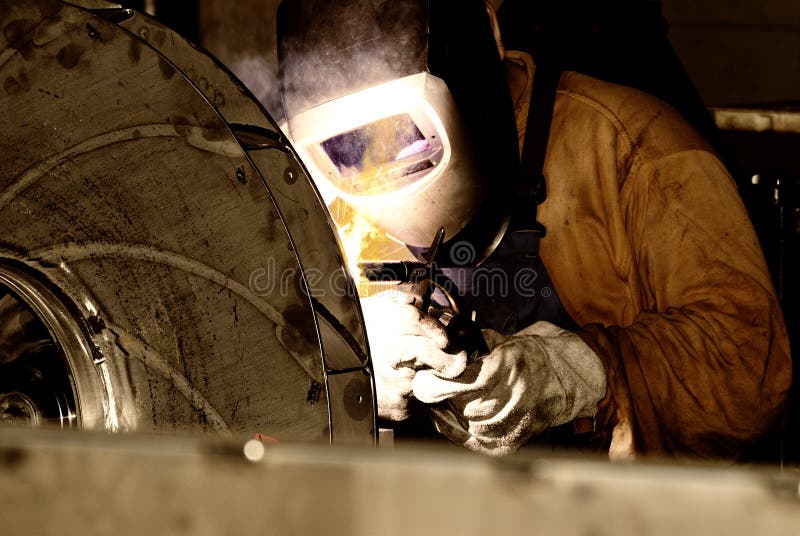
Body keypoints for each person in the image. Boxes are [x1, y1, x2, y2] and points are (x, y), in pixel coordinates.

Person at [276, 0, 792, 459]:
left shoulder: (634, 149)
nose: (381, 164)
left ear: (486, 42)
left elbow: (752, 372)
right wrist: (357, 366)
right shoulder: (330, 188)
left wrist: (572, 375)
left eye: (400, 135)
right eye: (352, 149)